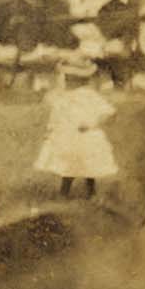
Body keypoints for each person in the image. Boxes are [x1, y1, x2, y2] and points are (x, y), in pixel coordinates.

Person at [34, 60, 118, 198]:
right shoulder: (64, 97)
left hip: (86, 136)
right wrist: (51, 130)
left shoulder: (89, 96)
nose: (67, 81)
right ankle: (66, 191)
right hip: (69, 136)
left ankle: (89, 191)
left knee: (88, 166)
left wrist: (92, 123)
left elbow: (109, 112)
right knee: (69, 165)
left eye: (70, 78)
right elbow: (56, 114)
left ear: (81, 80)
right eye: (67, 78)